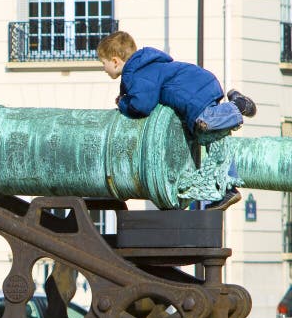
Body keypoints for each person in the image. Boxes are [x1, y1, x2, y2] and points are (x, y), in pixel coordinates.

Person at [97, 31, 257, 211]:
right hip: (201, 82)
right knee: (211, 138)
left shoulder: (136, 73)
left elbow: (142, 105)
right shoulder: (145, 67)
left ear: (115, 61)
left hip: (194, 92)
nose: (103, 68)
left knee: (205, 121)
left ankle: (238, 106)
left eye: (104, 63)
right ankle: (228, 187)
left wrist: (123, 103)